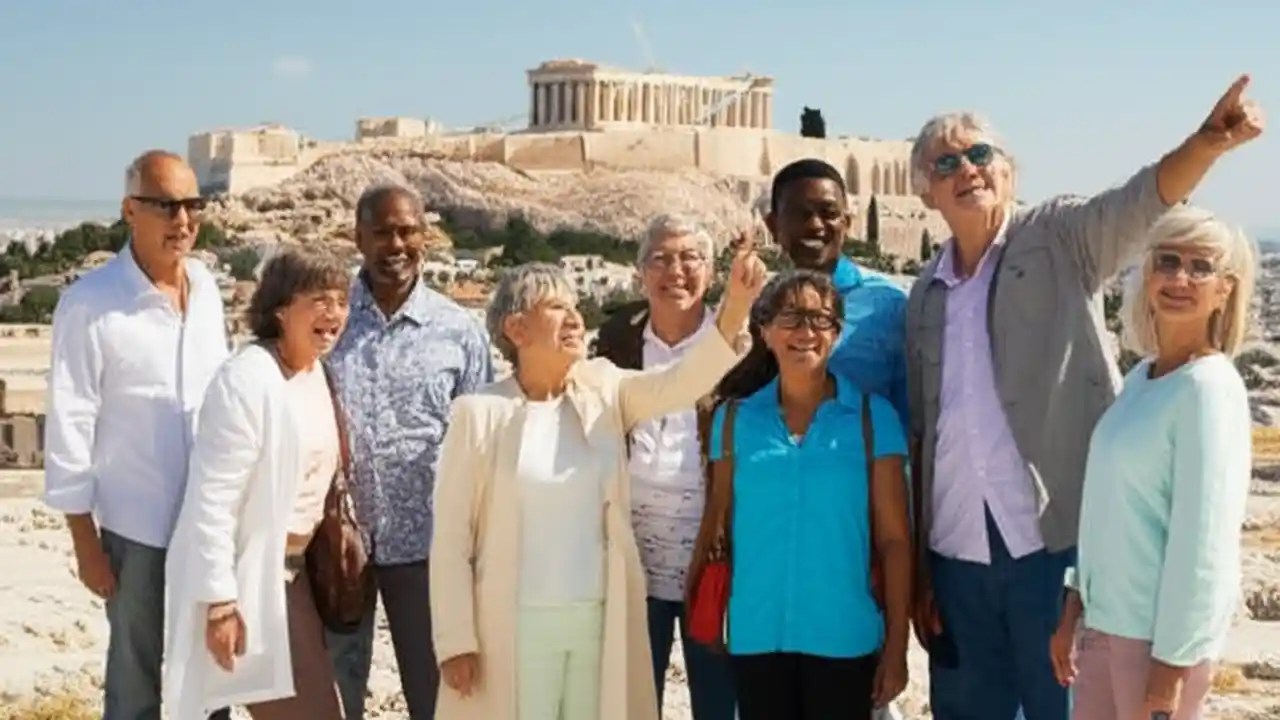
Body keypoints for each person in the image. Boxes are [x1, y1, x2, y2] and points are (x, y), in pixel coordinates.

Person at [903, 75, 1265, 719]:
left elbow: (1140, 202)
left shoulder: (1058, 238)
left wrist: (1206, 145)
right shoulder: (924, 295)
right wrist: (924, 567)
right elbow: (926, 428)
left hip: (1052, 546)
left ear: (1010, 172)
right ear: (927, 191)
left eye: (982, 155)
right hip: (957, 554)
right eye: (948, 162)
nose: (969, 170)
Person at [430, 245, 765, 720]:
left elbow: (680, 384)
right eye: (555, 308)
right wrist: (455, 641)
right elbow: (450, 541)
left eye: (573, 306)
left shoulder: (604, 390)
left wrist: (734, 310)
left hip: (597, 622)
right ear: (516, 329)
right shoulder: (479, 414)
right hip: (515, 624)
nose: (573, 318)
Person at [42, 150, 229, 720]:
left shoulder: (207, 289)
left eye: (193, 205)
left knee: (211, 678)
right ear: (130, 210)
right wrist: (84, 542)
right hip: (134, 528)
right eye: (166, 205)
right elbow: (70, 421)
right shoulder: (90, 304)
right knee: (134, 680)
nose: (183, 220)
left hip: (206, 524)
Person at [1050, 206, 1257, 720]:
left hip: (1156, 649)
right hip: (1104, 631)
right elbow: (1109, 507)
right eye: (1168, 260)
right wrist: (1074, 606)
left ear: (1225, 288)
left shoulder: (1209, 390)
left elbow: (1203, 543)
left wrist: (1173, 663)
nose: (1180, 278)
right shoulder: (1144, 377)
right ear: (1147, 273)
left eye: (1200, 266)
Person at [689, 270, 912, 719]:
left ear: (836, 332)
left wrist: (897, 648)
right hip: (756, 634)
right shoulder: (732, 422)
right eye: (790, 317)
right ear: (765, 331)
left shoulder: (873, 419)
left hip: (844, 637)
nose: (805, 332)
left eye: (820, 319)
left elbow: (894, 541)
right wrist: (700, 608)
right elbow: (716, 525)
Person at [325, 183, 493, 720]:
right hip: (336, 544)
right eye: (382, 232)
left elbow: (479, 442)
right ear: (359, 238)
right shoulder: (327, 322)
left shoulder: (459, 331)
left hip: (428, 547)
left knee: (438, 699)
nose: (395, 244)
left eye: (407, 231)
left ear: (426, 236)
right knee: (332, 697)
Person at [164, 248, 352, 719]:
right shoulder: (247, 380)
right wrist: (221, 604)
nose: (333, 313)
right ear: (281, 310)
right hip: (252, 581)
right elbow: (212, 500)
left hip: (298, 576)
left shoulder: (317, 374)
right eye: (319, 299)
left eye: (341, 300)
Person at [593, 214, 738, 720]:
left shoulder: (740, 344)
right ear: (640, 274)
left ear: (712, 270)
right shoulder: (616, 337)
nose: (675, 270)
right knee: (632, 703)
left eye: (689, 258)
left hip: (715, 556)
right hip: (633, 560)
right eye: (660, 258)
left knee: (719, 703)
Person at [764, 159, 909, 435]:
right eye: (800, 213)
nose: (816, 225)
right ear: (773, 225)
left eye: (828, 213)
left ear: (847, 222)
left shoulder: (887, 305)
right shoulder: (759, 308)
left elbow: (911, 411)